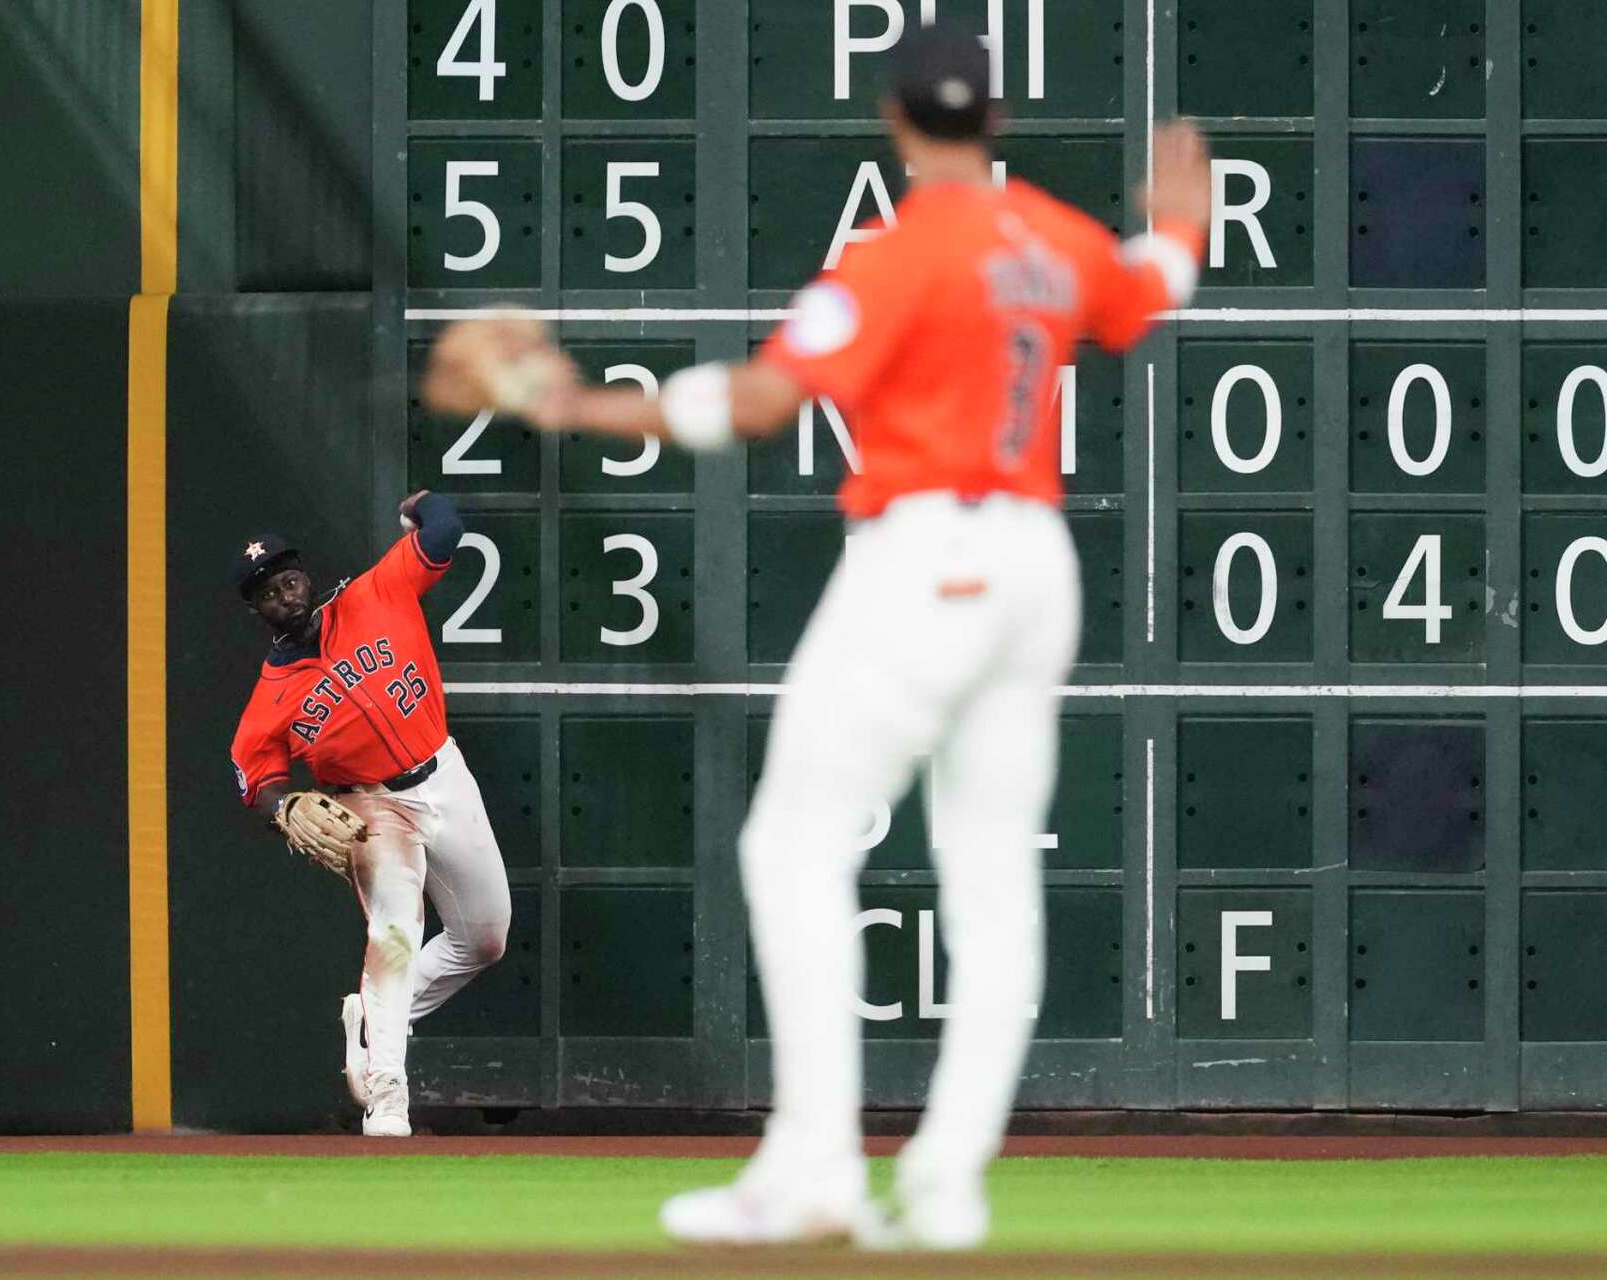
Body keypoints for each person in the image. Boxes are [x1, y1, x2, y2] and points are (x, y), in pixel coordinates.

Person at [421, 20, 1211, 1248]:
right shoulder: (1053, 240)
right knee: (994, 878)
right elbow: (1152, 289)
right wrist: (1180, 222)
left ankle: (816, 1165)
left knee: (794, 841)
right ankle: (948, 1183)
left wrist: (578, 403)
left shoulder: (896, 256)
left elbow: (762, 399)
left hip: (928, 556)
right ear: (995, 120)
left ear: (895, 119)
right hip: (1034, 564)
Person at [226, 492, 512, 1138]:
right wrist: (284, 804)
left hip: (442, 772)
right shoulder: (267, 703)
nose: (285, 594)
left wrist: (424, 503)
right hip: (370, 807)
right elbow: (257, 779)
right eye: (268, 591)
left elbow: (447, 530)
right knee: (395, 933)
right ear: (255, 610)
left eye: (289, 578)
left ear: (306, 574)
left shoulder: (378, 591)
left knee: (487, 937)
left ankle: (372, 1016)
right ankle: (387, 1098)